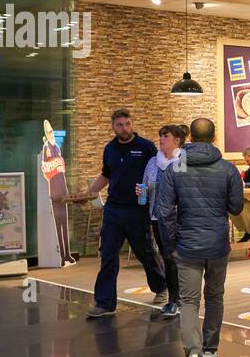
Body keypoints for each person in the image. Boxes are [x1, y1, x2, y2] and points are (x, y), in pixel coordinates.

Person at [156, 118, 244, 357]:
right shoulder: (226, 168)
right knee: (215, 297)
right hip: (217, 244)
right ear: (214, 137)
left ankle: (193, 352)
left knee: (190, 302)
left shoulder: (176, 167)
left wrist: (171, 243)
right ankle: (210, 351)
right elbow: (237, 206)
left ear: (190, 137)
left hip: (187, 246)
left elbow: (164, 211)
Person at [75, 109, 167, 318]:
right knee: (108, 254)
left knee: (145, 252)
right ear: (113, 127)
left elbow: (156, 174)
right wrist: (88, 194)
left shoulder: (146, 147)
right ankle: (104, 303)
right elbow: (106, 175)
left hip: (138, 209)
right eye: (119, 125)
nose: (124, 128)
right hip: (114, 209)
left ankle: (161, 287)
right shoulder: (110, 149)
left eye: (127, 124)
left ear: (131, 124)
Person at [142, 124, 186, 319]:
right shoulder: (153, 161)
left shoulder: (182, 160)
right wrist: (142, 192)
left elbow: (183, 189)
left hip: (177, 217)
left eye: (165, 136)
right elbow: (144, 186)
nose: (161, 140)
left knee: (176, 258)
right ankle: (173, 298)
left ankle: (180, 299)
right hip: (156, 215)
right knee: (166, 257)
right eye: (160, 136)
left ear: (177, 140)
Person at [40, 120, 73, 265]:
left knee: (64, 222)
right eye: (48, 133)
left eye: (51, 132)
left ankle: (67, 253)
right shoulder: (46, 148)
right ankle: (61, 255)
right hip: (54, 190)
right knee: (57, 223)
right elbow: (46, 169)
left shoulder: (57, 147)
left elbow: (61, 169)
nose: (51, 135)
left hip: (62, 189)